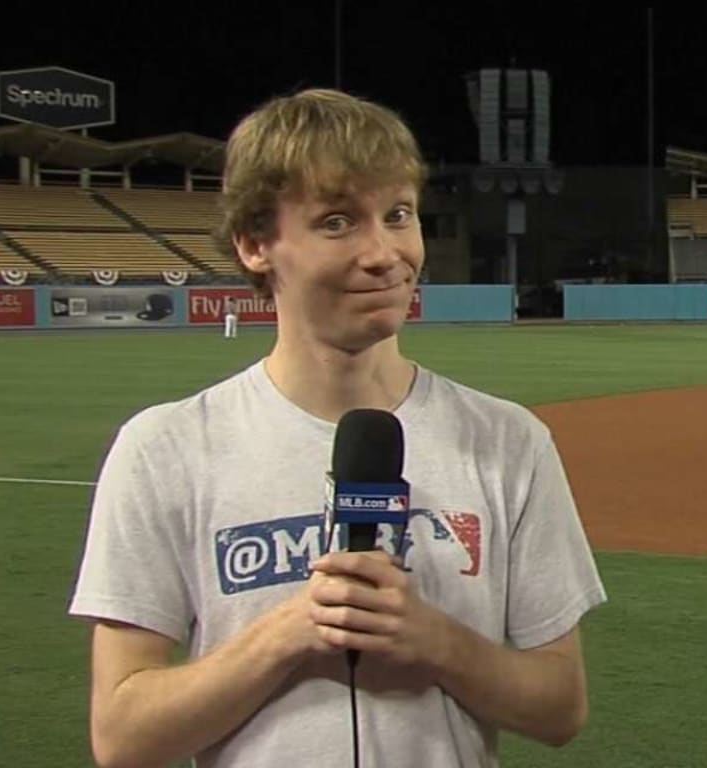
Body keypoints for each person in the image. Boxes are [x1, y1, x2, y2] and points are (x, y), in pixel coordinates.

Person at [68, 88, 606, 768]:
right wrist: (286, 634)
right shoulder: (167, 448)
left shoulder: (508, 441)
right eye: (337, 222)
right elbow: (122, 737)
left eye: (399, 215)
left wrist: (435, 639)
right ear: (255, 243)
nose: (385, 254)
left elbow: (560, 708)